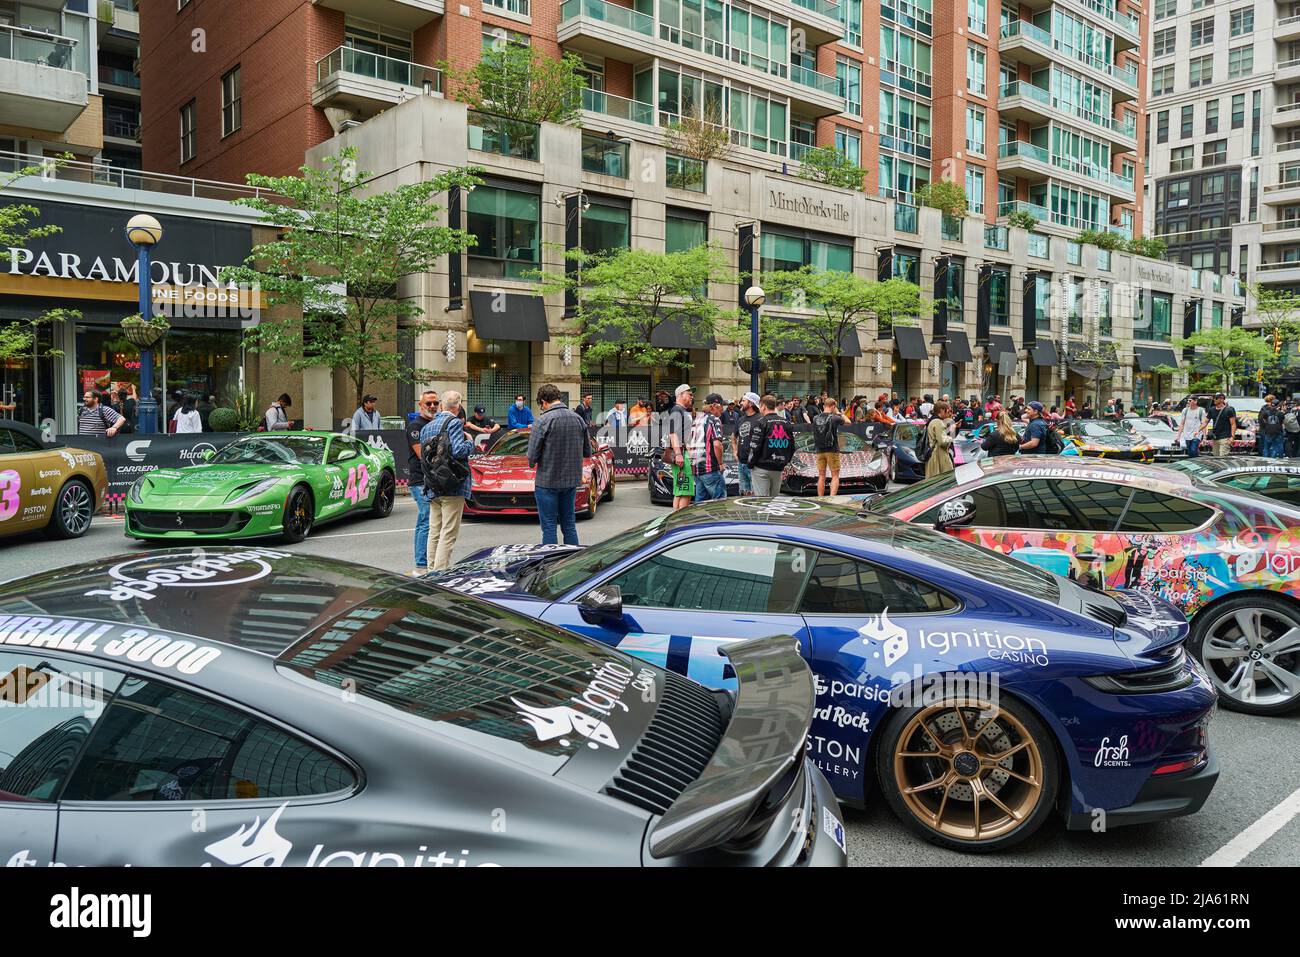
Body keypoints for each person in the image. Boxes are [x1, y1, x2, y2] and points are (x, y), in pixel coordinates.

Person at [527, 383, 592, 544]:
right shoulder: (578, 419)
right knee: (569, 525)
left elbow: (532, 457)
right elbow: (587, 452)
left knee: (549, 527)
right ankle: (572, 562)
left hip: (547, 481)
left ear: (543, 401)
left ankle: (550, 566)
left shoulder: (542, 421)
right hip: (570, 481)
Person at [420, 390, 473, 571]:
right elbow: (458, 450)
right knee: (448, 532)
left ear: (442, 405)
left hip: (433, 483)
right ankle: (441, 573)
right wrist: (470, 442)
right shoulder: (455, 423)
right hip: (452, 484)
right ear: (458, 407)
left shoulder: (427, 427)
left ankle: (431, 570)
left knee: (434, 530)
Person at [406, 390, 439, 575]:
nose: (432, 406)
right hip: (420, 480)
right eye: (429, 403)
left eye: (435, 403)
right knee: (426, 520)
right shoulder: (415, 426)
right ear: (420, 405)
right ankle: (421, 564)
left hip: (432, 479)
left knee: (430, 521)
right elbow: (423, 455)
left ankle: (429, 561)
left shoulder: (435, 423)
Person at [745, 394, 796, 495]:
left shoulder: (761, 422)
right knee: (773, 501)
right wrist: (785, 462)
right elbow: (792, 447)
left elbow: (755, 447)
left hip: (761, 467)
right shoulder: (786, 423)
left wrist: (750, 463)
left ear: (763, 406)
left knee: (762, 501)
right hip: (778, 468)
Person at [662, 384, 696, 510]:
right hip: (680, 454)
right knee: (686, 491)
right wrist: (678, 454)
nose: (692, 397)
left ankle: (675, 520)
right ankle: (680, 522)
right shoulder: (676, 410)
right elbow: (673, 433)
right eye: (689, 394)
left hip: (682, 453)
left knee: (680, 490)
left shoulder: (680, 410)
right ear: (680, 395)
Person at [690, 393, 728, 502]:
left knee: (701, 505)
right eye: (721, 406)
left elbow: (690, 445)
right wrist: (720, 463)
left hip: (697, 469)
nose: (722, 409)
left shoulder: (696, 420)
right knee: (719, 503)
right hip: (710, 468)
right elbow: (717, 444)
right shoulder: (714, 420)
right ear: (714, 405)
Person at [810, 397, 851, 496]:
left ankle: (820, 498)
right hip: (832, 450)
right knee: (835, 476)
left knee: (821, 476)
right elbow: (849, 422)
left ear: (824, 406)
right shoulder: (834, 418)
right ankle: (832, 498)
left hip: (819, 450)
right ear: (833, 407)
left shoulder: (815, 418)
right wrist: (839, 413)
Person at [732, 392, 762, 496]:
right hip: (741, 463)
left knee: (756, 495)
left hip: (755, 465)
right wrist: (735, 450)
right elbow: (733, 436)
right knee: (744, 494)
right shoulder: (741, 419)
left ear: (751, 403)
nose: (740, 403)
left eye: (744, 401)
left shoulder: (761, 419)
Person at [924, 401, 955, 477]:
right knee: (943, 481)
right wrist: (951, 437)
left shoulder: (933, 420)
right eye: (947, 410)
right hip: (938, 457)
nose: (949, 413)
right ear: (941, 410)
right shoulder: (938, 422)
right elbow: (942, 442)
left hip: (935, 455)